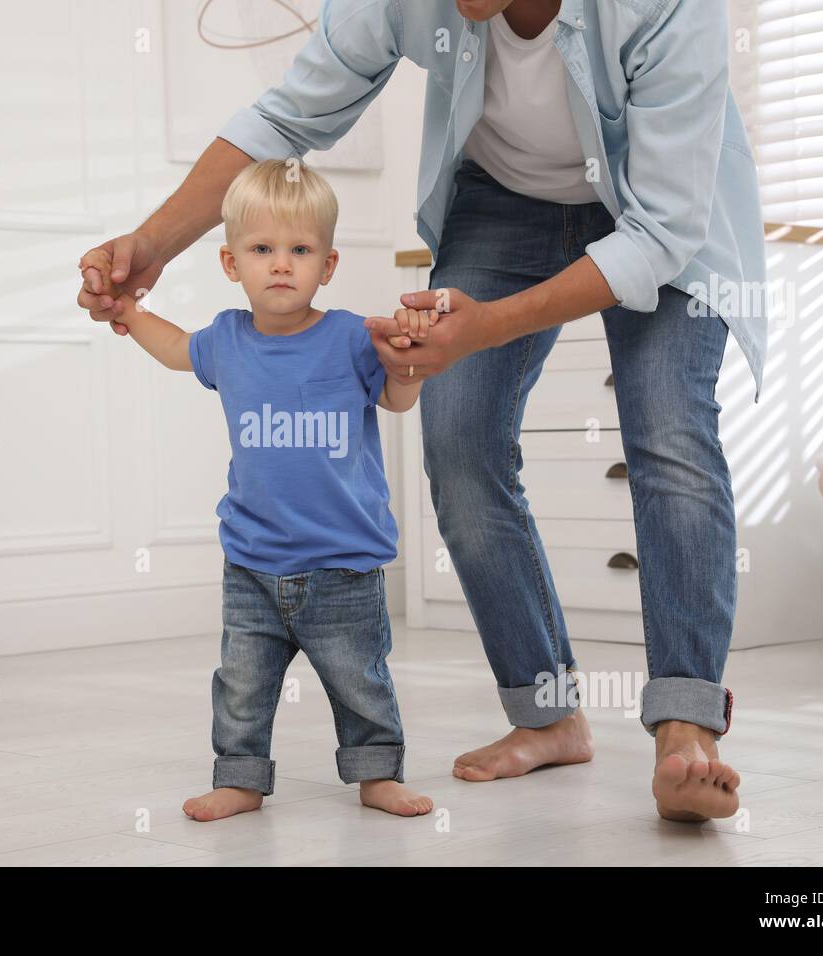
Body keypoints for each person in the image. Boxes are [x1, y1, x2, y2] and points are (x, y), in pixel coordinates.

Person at [80, 0, 764, 823]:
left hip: (659, 207)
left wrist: (488, 326)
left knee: (669, 432)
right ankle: (549, 716)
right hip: (504, 197)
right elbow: (285, 116)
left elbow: (661, 232)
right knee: (460, 438)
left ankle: (685, 737)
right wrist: (150, 245)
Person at [95, 158, 436, 821]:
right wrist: (129, 313)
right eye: (262, 250)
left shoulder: (350, 337)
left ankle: (377, 775)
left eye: (300, 250)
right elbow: (174, 348)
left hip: (344, 563)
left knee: (360, 680)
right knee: (242, 684)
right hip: (252, 561)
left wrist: (410, 366)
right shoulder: (226, 340)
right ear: (231, 263)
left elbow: (396, 400)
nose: (281, 264)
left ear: (328, 265)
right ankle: (240, 778)